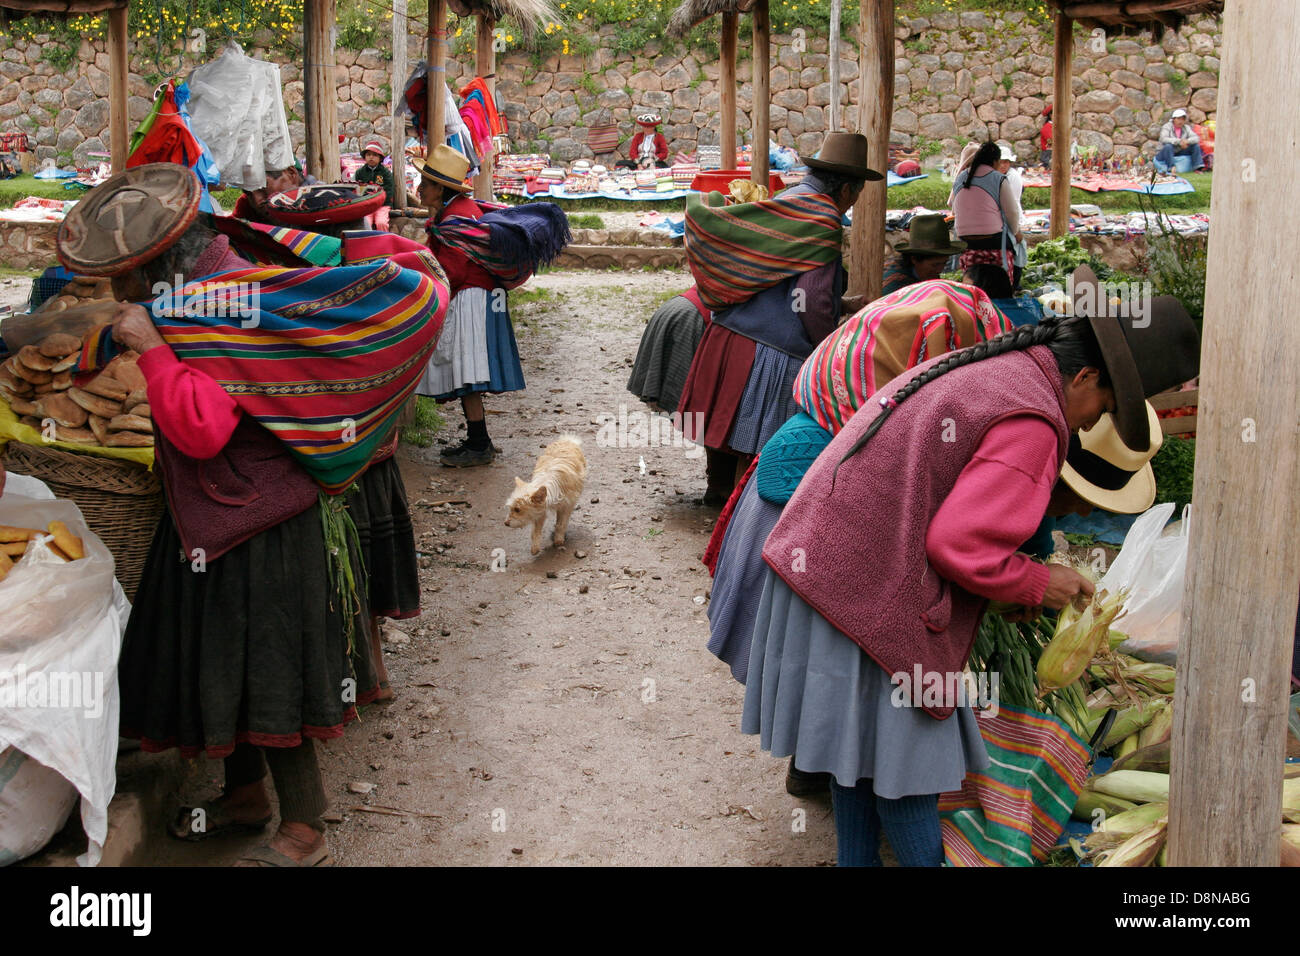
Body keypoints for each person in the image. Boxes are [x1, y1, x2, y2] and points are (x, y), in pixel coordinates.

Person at [57, 163, 448, 866]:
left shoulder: (214, 309)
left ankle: (306, 828)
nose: (119, 293)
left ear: (155, 265)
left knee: (270, 673)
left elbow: (204, 428)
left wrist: (149, 350)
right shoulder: (222, 282)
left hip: (260, 521)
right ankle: (244, 799)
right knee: (221, 664)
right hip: (214, 514)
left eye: (124, 278)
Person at [741, 268, 1199, 866]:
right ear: (1084, 376)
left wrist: (1009, 586)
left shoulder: (1002, 369)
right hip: (863, 594)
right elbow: (958, 546)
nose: (1088, 425)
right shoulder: (1035, 418)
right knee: (908, 774)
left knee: (860, 761)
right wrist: (1042, 581)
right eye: (1102, 407)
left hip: (826, 574)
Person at [703, 279, 1013, 793]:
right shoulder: (938, 376)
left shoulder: (860, 379)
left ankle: (817, 763)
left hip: (785, 484)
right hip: (809, 511)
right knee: (825, 646)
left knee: (807, 649)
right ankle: (828, 767)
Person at [677, 132, 881, 492]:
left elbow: (778, 274)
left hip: (731, 332)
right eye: (858, 193)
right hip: (769, 347)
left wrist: (844, 303)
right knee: (759, 452)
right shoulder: (822, 219)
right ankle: (742, 526)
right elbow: (810, 297)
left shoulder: (787, 200)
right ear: (848, 190)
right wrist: (825, 346)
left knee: (734, 439)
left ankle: (721, 503)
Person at [414, 145, 524, 466]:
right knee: (469, 373)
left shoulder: (455, 218)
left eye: (426, 183)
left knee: (468, 374)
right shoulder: (462, 210)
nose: (420, 189)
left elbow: (454, 270)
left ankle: (479, 445)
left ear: (441, 188)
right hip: (480, 296)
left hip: (470, 298)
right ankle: (479, 440)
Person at [625, 287, 739, 503]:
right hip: (691, 319)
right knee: (717, 411)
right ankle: (721, 486)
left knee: (711, 412)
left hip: (680, 309)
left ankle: (719, 484)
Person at [951, 140, 1023, 287]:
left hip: (965, 240)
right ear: (995, 161)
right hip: (993, 240)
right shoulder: (998, 178)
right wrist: (1017, 233)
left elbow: (953, 207)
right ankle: (1013, 286)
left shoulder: (961, 177)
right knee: (1019, 244)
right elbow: (1012, 212)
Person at [881, 214, 966, 295]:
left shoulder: (926, 275)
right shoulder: (895, 285)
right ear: (914, 259)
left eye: (944, 263)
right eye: (935, 265)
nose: (939, 270)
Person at [1154, 108, 1204, 173]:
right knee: (1168, 146)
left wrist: (1187, 141)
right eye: (1178, 119)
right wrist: (1179, 141)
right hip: (1167, 152)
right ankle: (1171, 167)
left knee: (1195, 146)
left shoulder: (1186, 128)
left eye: (1182, 119)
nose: (1180, 121)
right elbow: (1163, 138)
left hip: (1179, 151)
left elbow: (1196, 138)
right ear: (1174, 119)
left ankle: (1197, 168)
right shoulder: (1167, 127)